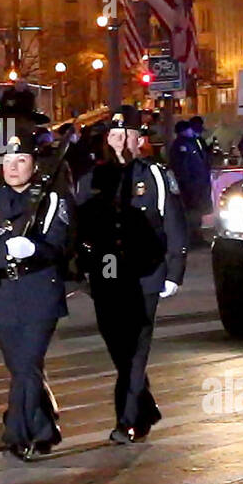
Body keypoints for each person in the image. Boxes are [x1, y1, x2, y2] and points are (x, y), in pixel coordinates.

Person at [76, 105, 187, 443]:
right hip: (108, 274)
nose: (120, 140)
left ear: (140, 139)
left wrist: (174, 270)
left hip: (145, 272)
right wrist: (82, 270)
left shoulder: (153, 173)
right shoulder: (93, 178)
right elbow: (80, 228)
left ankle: (127, 421)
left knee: (136, 348)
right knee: (117, 346)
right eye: (114, 134)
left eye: (127, 134)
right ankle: (144, 407)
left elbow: (173, 220)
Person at [0, 131, 72, 460]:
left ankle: (17, 432)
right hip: (1, 293)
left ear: (34, 164)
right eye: (8, 160)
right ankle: (43, 429)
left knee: (27, 366)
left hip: (38, 292)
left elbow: (61, 244)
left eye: (21, 160)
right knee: (21, 368)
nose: (13, 167)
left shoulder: (52, 199)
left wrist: (34, 249)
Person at [169, 119, 212, 240]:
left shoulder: (193, 143)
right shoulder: (181, 146)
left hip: (198, 184)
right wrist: (187, 183)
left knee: (198, 212)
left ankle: (196, 236)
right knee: (192, 212)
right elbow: (181, 167)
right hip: (190, 186)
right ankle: (193, 237)